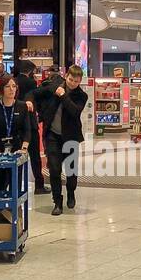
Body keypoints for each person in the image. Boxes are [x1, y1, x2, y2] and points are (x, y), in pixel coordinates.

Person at [35, 64, 87, 216]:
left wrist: (63, 95)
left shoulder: (81, 96)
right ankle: (57, 201)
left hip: (71, 137)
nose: (72, 83)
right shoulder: (54, 87)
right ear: (66, 76)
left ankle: (71, 192)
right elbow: (38, 93)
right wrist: (33, 104)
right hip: (53, 135)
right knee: (54, 169)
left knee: (71, 171)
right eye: (71, 79)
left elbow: (74, 111)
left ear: (80, 81)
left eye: (76, 81)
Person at [12, 59, 44, 191]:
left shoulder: (13, 81)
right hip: (30, 122)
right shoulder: (31, 83)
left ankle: (16, 186)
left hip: (16, 123)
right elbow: (35, 98)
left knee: (17, 155)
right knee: (35, 155)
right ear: (30, 71)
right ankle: (39, 185)